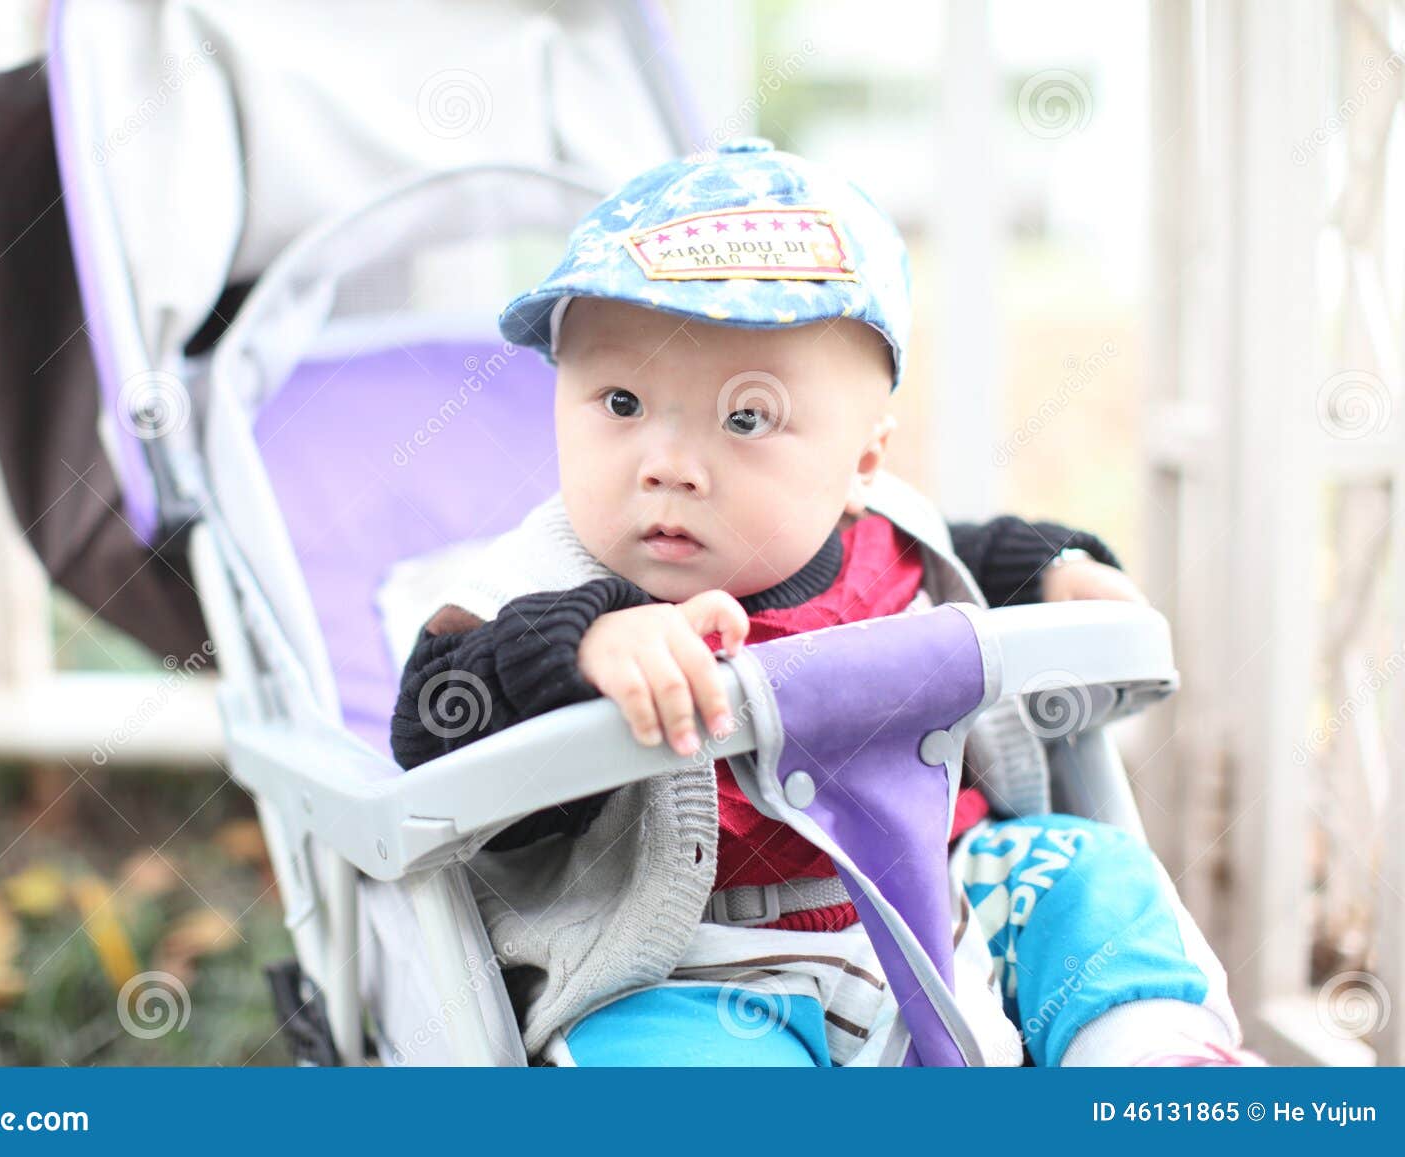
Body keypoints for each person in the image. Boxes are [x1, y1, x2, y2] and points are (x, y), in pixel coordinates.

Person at [391, 139, 1261, 1068]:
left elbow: (974, 553)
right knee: (656, 1062)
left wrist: (1058, 568)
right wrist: (578, 653)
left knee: (1085, 872)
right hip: (689, 973)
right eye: (620, 401)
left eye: (747, 418)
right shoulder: (538, 588)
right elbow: (434, 729)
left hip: (945, 898)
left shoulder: (890, 537)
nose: (669, 463)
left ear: (863, 465)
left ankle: (1143, 1062)